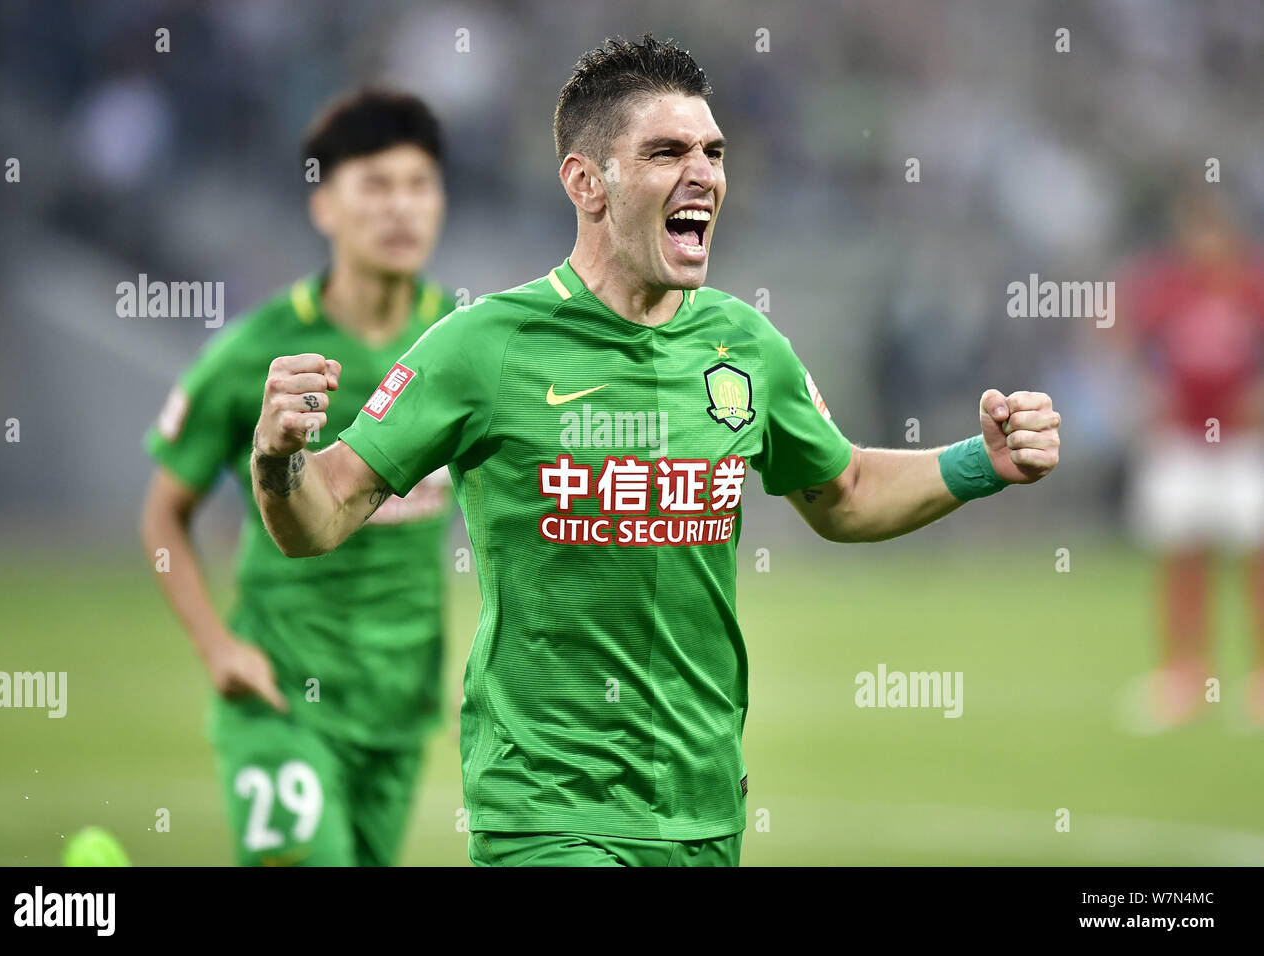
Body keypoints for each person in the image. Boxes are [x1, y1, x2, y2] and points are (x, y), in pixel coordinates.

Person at [247, 36, 1062, 867]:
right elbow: (319, 517)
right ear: (586, 183)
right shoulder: (482, 347)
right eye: (666, 152)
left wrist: (981, 463)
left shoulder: (744, 346)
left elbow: (844, 490)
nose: (702, 173)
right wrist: (279, 463)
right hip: (548, 813)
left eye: (713, 152)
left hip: (703, 809)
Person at [140, 89, 457, 865]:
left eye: (419, 185)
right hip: (283, 697)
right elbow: (163, 516)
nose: (401, 209)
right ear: (324, 205)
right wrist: (217, 648)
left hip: (400, 705)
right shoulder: (259, 353)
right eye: (375, 186)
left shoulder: (464, 346)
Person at [1117, 189, 1264, 729]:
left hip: (1243, 442)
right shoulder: (1165, 288)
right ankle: (1185, 676)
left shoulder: (1252, 285)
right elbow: (1133, 347)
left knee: (1255, 556)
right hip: (1180, 440)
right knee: (1182, 555)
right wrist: (1145, 390)